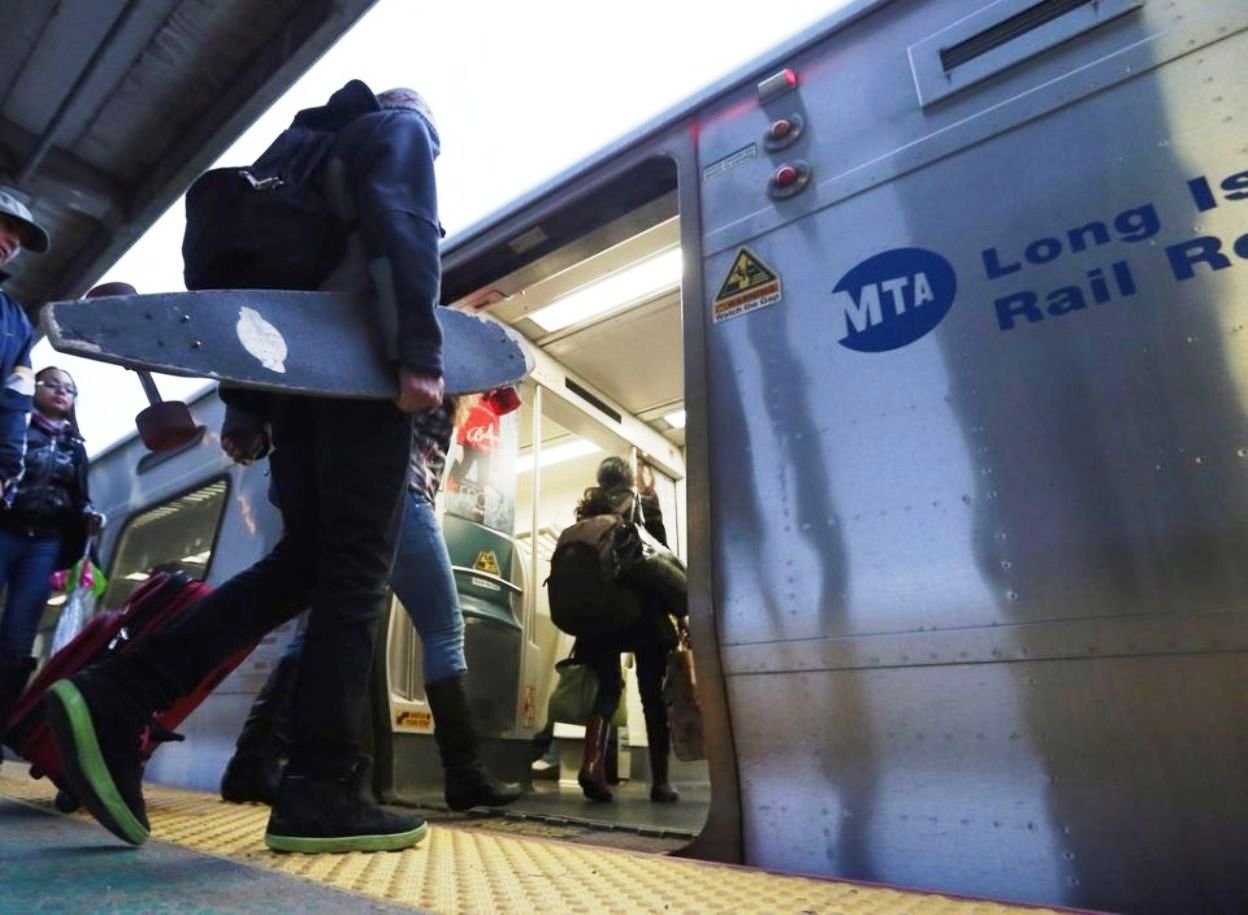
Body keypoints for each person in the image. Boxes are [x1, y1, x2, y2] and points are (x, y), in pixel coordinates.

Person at [44, 81, 446, 854]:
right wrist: (419, 353)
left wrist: (248, 406)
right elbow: (407, 225)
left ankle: (119, 692)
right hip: (358, 374)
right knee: (359, 570)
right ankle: (324, 787)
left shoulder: (288, 157)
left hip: (291, 389)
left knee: (306, 566)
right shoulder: (399, 128)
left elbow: (240, 302)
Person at [221, 392, 523, 813]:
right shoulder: (434, 368)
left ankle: (254, 758)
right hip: (405, 499)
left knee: (319, 624)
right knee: (443, 630)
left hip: (355, 496)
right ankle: (465, 772)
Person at [571, 456, 685, 804]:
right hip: (644, 614)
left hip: (601, 617)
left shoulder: (589, 511)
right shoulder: (644, 504)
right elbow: (661, 557)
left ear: (600, 479)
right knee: (651, 697)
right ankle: (661, 783)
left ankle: (591, 765)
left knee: (608, 689)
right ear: (630, 478)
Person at [0, 190, 51, 732]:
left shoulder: (14, 321)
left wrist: (4, 469)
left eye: (16, 239)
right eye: (3, 229)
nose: (10, 243)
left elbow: (14, 401)